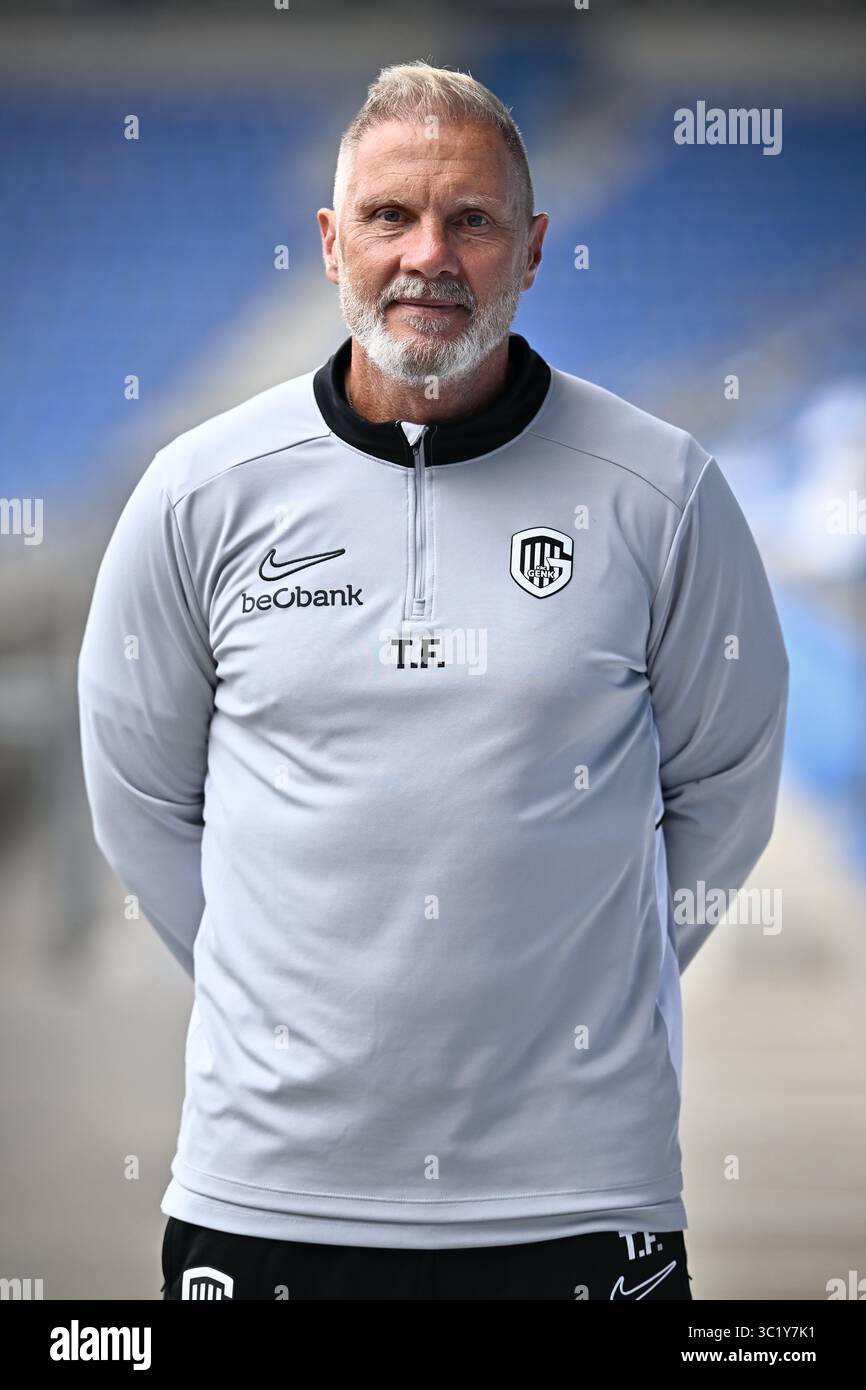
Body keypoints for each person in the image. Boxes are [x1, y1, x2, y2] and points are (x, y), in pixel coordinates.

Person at [77, 61, 788, 1301]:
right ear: (328, 242)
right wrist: (296, 1004)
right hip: (269, 1191)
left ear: (531, 249)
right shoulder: (198, 492)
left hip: (578, 1195)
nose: (427, 255)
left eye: (471, 219)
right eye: (388, 217)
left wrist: (583, 984)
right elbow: (140, 803)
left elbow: (723, 785)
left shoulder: (661, 491)